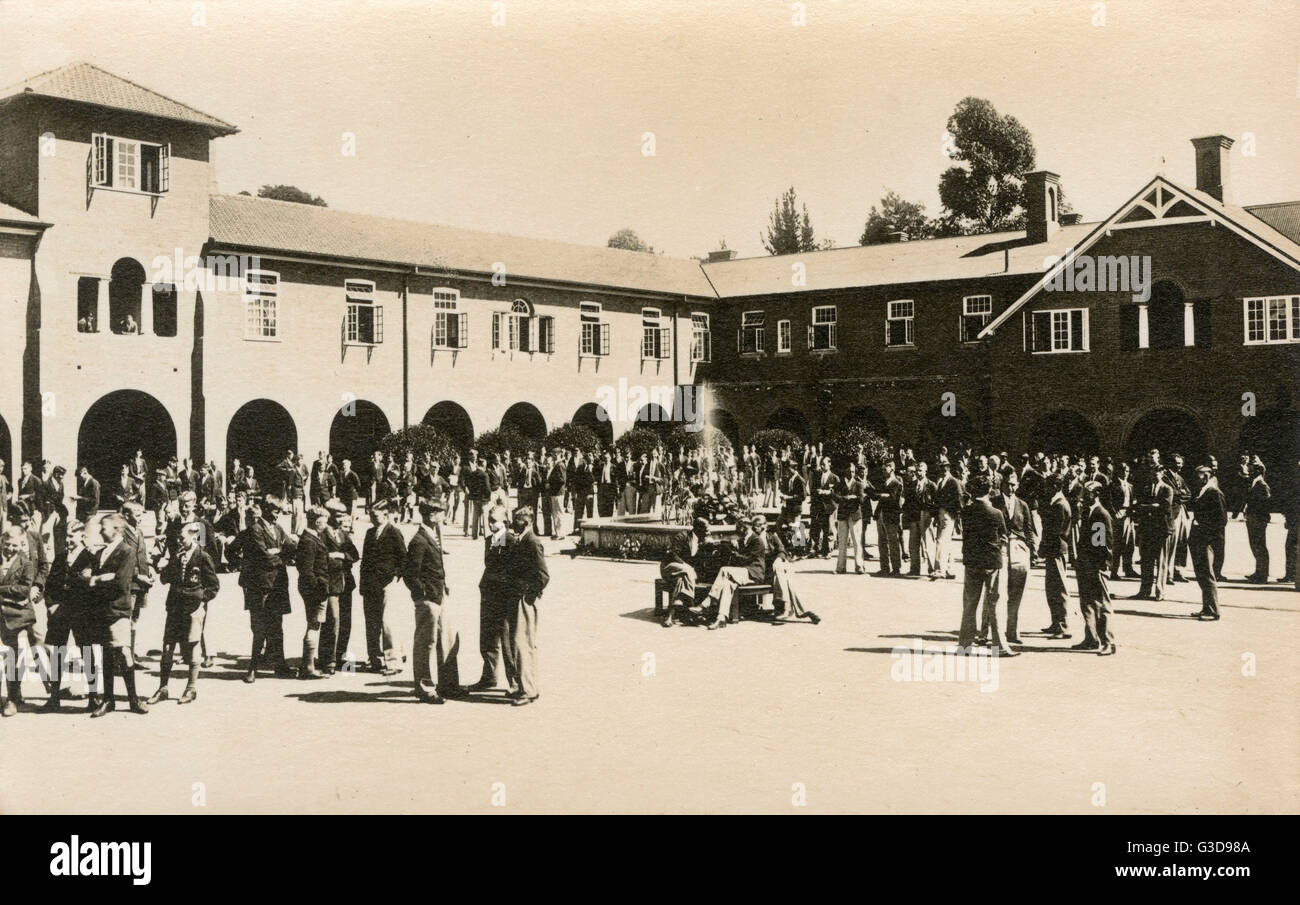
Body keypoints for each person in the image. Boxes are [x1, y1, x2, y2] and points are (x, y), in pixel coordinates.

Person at [148, 521, 220, 704]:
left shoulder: (203, 556)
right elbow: (165, 579)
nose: (179, 541)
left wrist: (200, 600)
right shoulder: (177, 556)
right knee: (167, 647)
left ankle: (191, 688)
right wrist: (162, 564)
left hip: (193, 609)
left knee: (193, 647)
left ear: (194, 536)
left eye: (182, 537)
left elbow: (213, 585)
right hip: (174, 606)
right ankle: (163, 688)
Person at [88, 513, 148, 717]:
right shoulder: (100, 553)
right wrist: (102, 578)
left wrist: (97, 581)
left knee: (123, 652)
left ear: (116, 529)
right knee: (106, 653)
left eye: (103, 527)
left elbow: (121, 584)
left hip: (117, 610)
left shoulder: (126, 551)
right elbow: (92, 581)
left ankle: (133, 699)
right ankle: (109, 699)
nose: (100, 531)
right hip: (101, 611)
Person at [404, 499, 456, 703]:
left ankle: (448, 684)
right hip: (429, 599)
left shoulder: (432, 535)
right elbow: (411, 574)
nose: (443, 516)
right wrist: (423, 595)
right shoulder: (419, 540)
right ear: (432, 515)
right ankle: (424, 687)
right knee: (426, 642)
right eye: (441, 513)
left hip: (438, 594)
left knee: (445, 639)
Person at [240, 497, 296, 682]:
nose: (277, 514)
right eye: (274, 510)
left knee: (277, 627)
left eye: (279, 511)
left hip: (277, 585)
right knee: (260, 629)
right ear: (265, 509)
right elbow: (263, 557)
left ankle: (280, 667)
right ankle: (252, 668)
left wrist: (279, 552)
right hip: (262, 587)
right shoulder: (256, 529)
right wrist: (281, 555)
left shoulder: (278, 528)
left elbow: (291, 547)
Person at [957, 476, 1012, 655]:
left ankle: (964, 646)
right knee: (994, 604)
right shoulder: (996, 513)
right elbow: (1004, 536)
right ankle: (999, 647)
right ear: (989, 490)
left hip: (972, 561)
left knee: (970, 604)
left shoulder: (966, 511)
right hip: (991, 562)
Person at [502, 505, 548, 705]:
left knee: (523, 644)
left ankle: (528, 690)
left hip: (523, 599)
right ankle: (523, 686)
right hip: (517, 596)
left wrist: (530, 596)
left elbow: (543, 575)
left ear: (527, 521)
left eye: (517, 520)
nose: (513, 524)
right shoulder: (523, 539)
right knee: (517, 642)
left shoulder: (533, 541)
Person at [992, 469, 1036, 644]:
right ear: (1002, 485)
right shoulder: (995, 502)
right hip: (1000, 549)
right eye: (1008, 485)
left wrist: (1032, 550)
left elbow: (1029, 529)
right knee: (997, 592)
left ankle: (1013, 631)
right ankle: (991, 632)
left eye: (1014, 485)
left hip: (1019, 549)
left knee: (1016, 591)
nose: (1011, 488)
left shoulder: (1022, 505)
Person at [1073, 482, 1116, 655]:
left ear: (1096, 494)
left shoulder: (1100, 514)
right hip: (1085, 564)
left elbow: (1101, 545)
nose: (1083, 497)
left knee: (1101, 603)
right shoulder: (1087, 512)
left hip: (1095, 566)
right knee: (1087, 603)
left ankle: (1108, 642)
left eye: (1088, 494)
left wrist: (1099, 567)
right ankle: (1091, 638)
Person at [0, 525, 38, 716]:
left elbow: (23, 590)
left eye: (14, 545)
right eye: (7, 544)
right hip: (2, 613)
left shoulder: (26, 564)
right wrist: (8, 592)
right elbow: (15, 591)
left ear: (21, 544)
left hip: (17, 617)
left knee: (14, 658)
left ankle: (12, 699)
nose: (10, 548)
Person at [318, 500, 360, 674]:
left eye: (344, 515)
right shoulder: (322, 534)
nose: (343, 519)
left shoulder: (343, 534)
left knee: (345, 622)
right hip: (331, 583)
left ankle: (341, 656)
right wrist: (331, 557)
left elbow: (355, 555)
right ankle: (327, 660)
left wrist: (341, 554)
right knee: (332, 621)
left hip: (346, 583)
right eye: (339, 516)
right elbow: (319, 557)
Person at [704, 516, 766, 630]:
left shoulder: (757, 540)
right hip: (743, 574)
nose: (737, 530)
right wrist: (731, 542)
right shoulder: (743, 539)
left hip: (754, 573)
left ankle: (709, 600)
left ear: (746, 527)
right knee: (727, 584)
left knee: (724, 569)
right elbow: (727, 542)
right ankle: (721, 617)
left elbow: (747, 559)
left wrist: (733, 552)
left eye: (739, 527)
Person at [295, 506, 332, 680]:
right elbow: (307, 570)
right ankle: (308, 667)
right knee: (314, 624)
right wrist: (320, 588)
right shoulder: (310, 540)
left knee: (313, 624)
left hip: (311, 588)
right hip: (314, 590)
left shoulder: (308, 537)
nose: (326, 525)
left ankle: (307, 665)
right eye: (324, 521)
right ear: (317, 521)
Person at [1133, 451, 1174, 600]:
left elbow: (1164, 507)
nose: (1154, 475)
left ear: (1162, 474)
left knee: (1161, 561)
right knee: (1146, 560)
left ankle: (1160, 591)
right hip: (1147, 528)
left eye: (1157, 473)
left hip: (1162, 529)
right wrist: (1150, 506)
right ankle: (1144, 590)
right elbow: (1141, 505)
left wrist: (1147, 506)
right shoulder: (1146, 488)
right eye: (1153, 472)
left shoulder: (1167, 489)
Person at [1188, 465, 1226, 621]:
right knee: (1201, 575)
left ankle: (1213, 610)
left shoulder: (1214, 493)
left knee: (1207, 575)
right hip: (1199, 539)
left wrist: (1203, 529)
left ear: (1207, 476)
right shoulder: (1203, 491)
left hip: (1206, 540)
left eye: (1200, 475)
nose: (1196, 478)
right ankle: (1206, 607)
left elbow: (1222, 520)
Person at [1038, 473, 1072, 639]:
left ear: (1055, 487)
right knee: (1052, 588)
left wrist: (1042, 548)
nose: (1045, 489)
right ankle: (1056, 622)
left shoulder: (1060, 505)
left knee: (1059, 588)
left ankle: (1063, 626)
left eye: (1048, 486)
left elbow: (1055, 532)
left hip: (1056, 550)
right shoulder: (1055, 502)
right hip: (1053, 550)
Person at [659, 518, 709, 628]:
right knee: (687, 570)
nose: (708, 531)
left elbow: (700, 561)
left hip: (683, 573)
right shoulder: (682, 536)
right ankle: (691, 607)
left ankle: (670, 616)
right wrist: (686, 566)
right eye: (706, 529)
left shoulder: (702, 541)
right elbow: (673, 555)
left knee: (681, 579)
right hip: (669, 567)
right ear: (698, 528)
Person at [932, 456, 962, 580]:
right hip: (941, 513)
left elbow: (959, 499)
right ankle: (949, 569)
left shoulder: (953, 481)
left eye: (945, 467)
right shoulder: (940, 481)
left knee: (941, 541)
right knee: (946, 542)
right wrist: (936, 516)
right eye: (941, 467)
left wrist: (955, 515)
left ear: (949, 468)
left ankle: (939, 569)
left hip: (948, 514)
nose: (943, 469)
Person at [835, 462, 867, 575]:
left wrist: (851, 498)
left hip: (855, 515)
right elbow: (835, 497)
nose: (851, 473)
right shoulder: (839, 484)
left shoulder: (858, 484)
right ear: (845, 472)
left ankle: (859, 566)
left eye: (853, 472)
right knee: (842, 541)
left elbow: (861, 499)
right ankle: (840, 567)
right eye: (849, 471)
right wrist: (847, 498)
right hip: (843, 514)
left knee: (857, 541)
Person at [1243, 458, 1271, 582]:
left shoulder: (1262, 485)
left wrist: (1260, 517)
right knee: (1255, 545)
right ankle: (1258, 572)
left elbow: (1265, 503)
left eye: (1252, 468)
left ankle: (1262, 575)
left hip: (1258, 519)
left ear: (1258, 470)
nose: (1249, 470)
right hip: (1252, 518)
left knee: (1260, 546)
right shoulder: (1254, 483)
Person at [874, 460, 904, 576]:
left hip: (891, 516)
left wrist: (882, 496)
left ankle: (896, 568)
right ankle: (884, 567)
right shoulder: (883, 484)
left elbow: (894, 500)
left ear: (891, 468)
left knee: (893, 542)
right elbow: (878, 497)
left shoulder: (897, 484)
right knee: (882, 542)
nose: (883, 471)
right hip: (881, 515)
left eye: (884, 469)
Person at [809, 456, 836, 558]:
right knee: (816, 528)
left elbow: (837, 493)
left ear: (829, 464)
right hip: (818, 506)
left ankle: (828, 550)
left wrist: (826, 492)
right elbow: (813, 489)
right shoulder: (817, 475)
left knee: (828, 529)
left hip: (829, 507)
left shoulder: (834, 478)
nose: (823, 466)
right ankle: (815, 549)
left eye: (825, 464)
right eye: (822, 464)